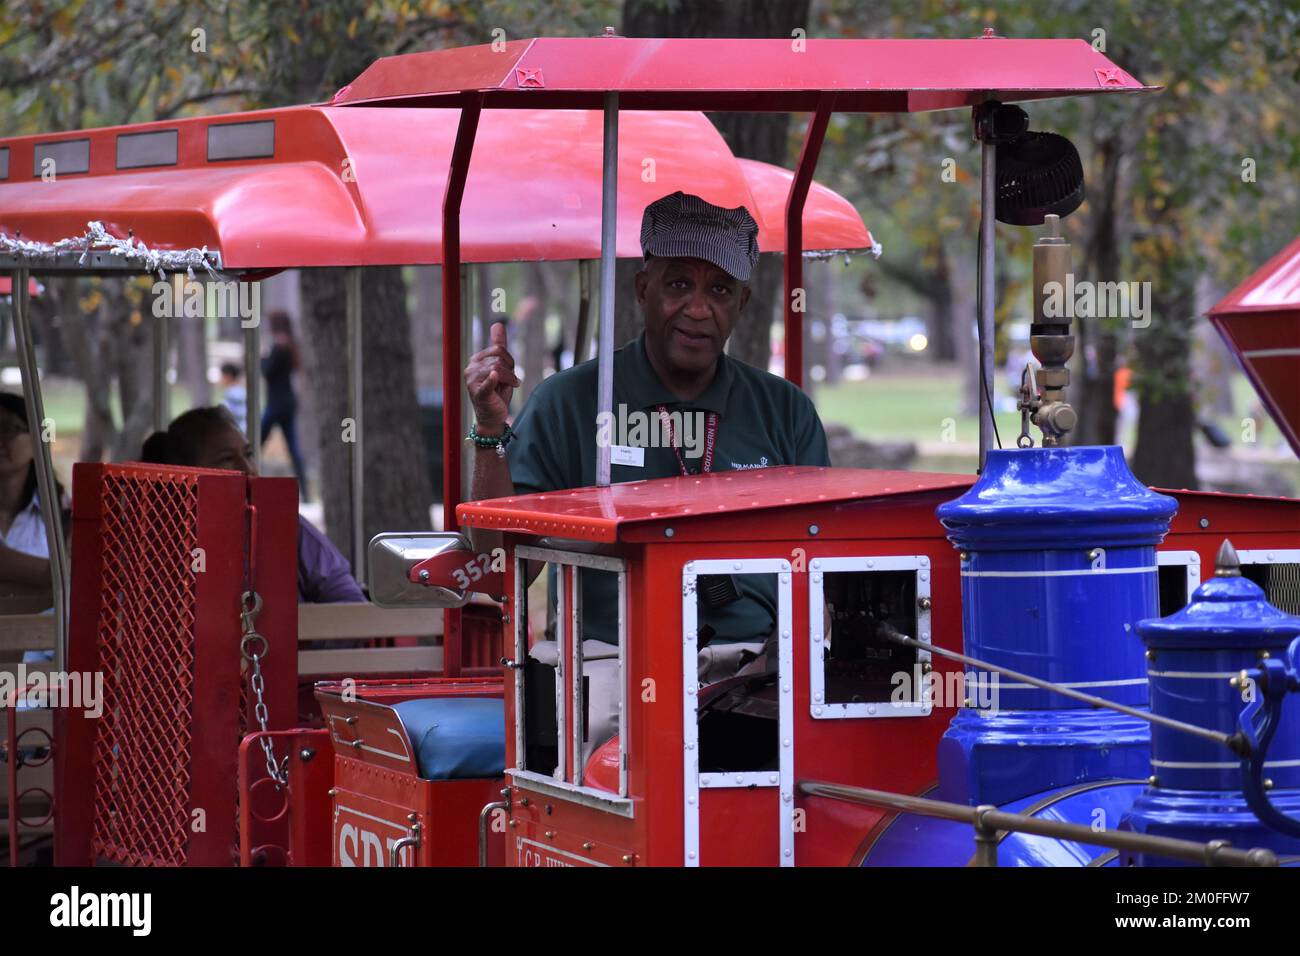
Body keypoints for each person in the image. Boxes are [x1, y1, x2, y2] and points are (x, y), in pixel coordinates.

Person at [463, 191, 831, 759]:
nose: (698, 308)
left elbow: (824, 563)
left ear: (743, 302)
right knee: (610, 777)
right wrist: (490, 429)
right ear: (642, 289)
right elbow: (500, 560)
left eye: (720, 290)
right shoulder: (570, 401)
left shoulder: (784, 410)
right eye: (679, 284)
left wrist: (780, 656)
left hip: (754, 662)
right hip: (609, 657)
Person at [140, 406, 364, 604]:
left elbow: (350, 605)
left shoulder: (286, 528)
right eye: (226, 458)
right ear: (185, 472)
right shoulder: (153, 541)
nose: (247, 468)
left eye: (248, 454)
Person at [0, 391, 68, 607]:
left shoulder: (62, 512)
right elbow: (61, 579)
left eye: (9, 429)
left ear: (37, 442)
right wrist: (47, 581)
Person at [260, 310, 310, 501]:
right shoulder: (290, 345)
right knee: (294, 448)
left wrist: (262, 356)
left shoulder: (278, 346)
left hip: (276, 404)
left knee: (256, 441)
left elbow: (267, 371)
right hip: (288, 402)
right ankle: (305, 491)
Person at [219, 361, 247, 429]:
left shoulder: (233, 393)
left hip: (238, 429)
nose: (221, 379)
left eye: (222, 376)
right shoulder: (240, 390)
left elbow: (229, 413)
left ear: (228, 376)